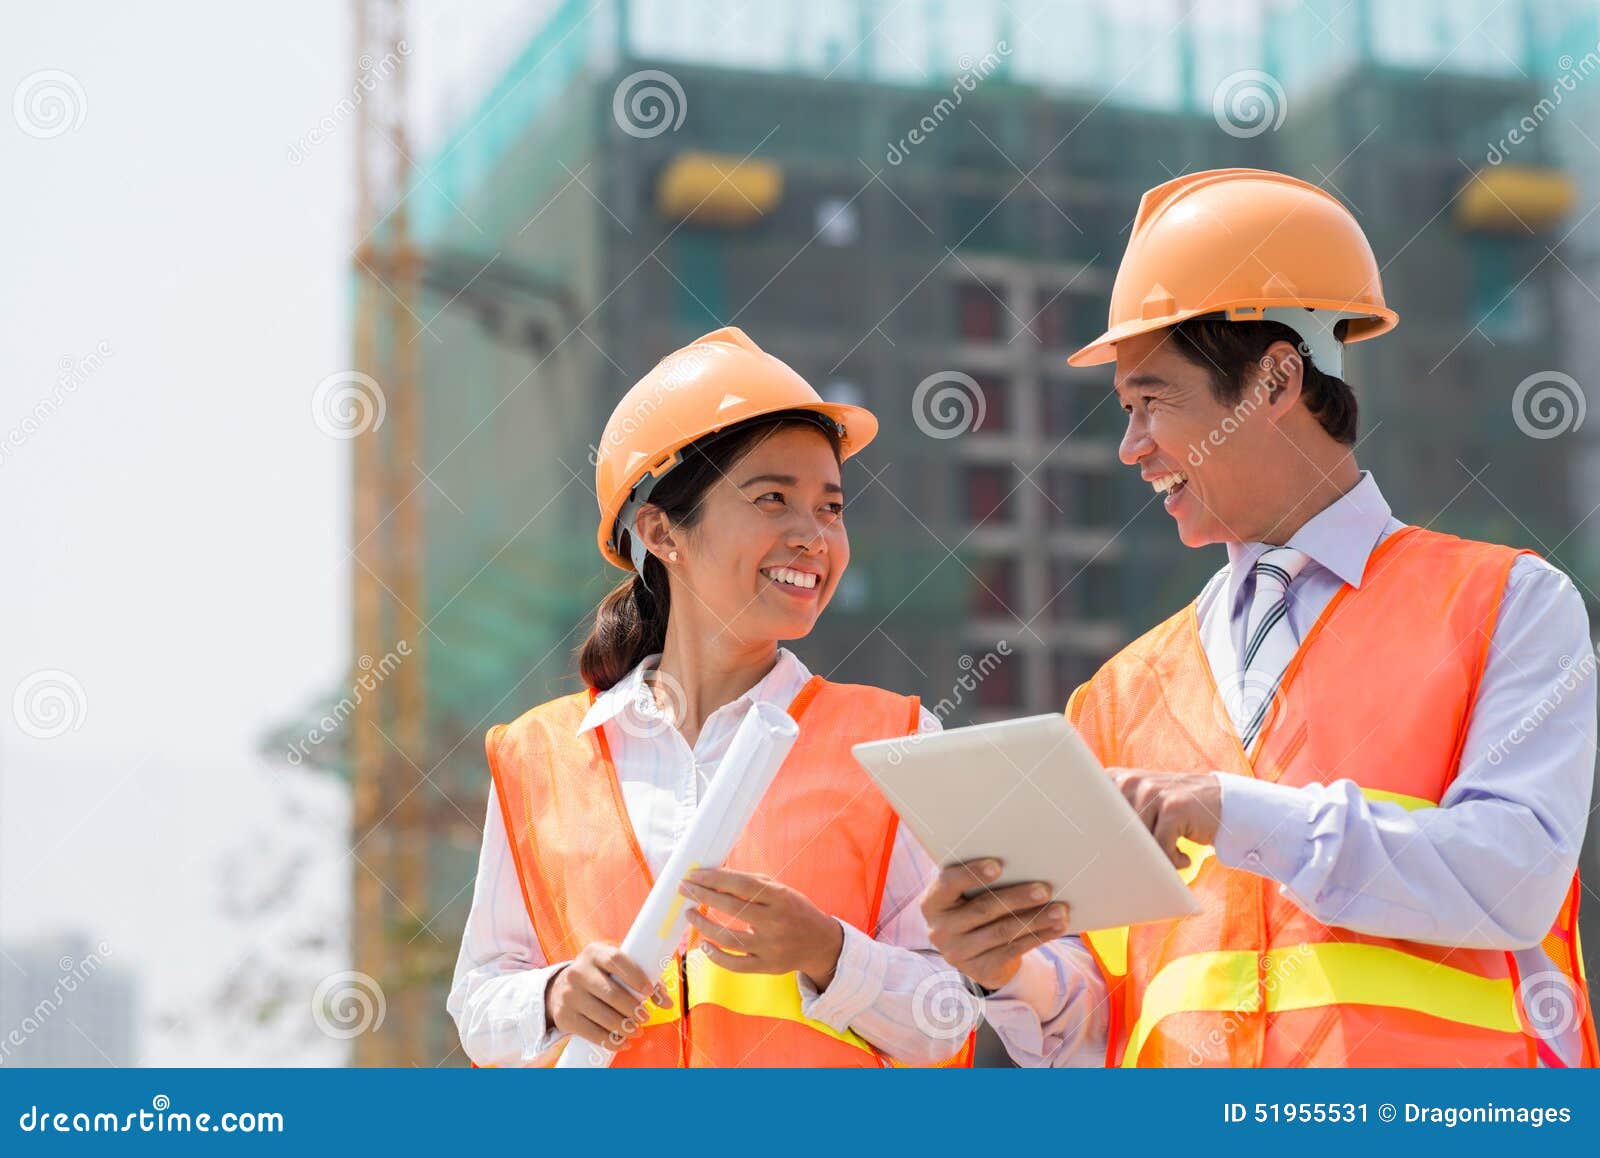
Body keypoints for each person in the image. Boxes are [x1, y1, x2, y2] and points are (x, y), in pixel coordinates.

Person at [923, 167, 1599, 1067]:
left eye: (1150, 401)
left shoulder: (1506, 603)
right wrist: (1009, 971)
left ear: (1276, 381)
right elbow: (1105, 1023)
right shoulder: (1116, 696)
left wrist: (1231, 808)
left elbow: (1512, 879)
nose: (1130, 448)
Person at [447, 326, 976, 1067]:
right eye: (772, 499)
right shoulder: (538, 759)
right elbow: (478, 999)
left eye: (830, 507)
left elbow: (952, 1015)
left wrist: (830, 954)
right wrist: (554, 995)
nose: (813, 536)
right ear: (663, 532)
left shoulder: (895, 737)